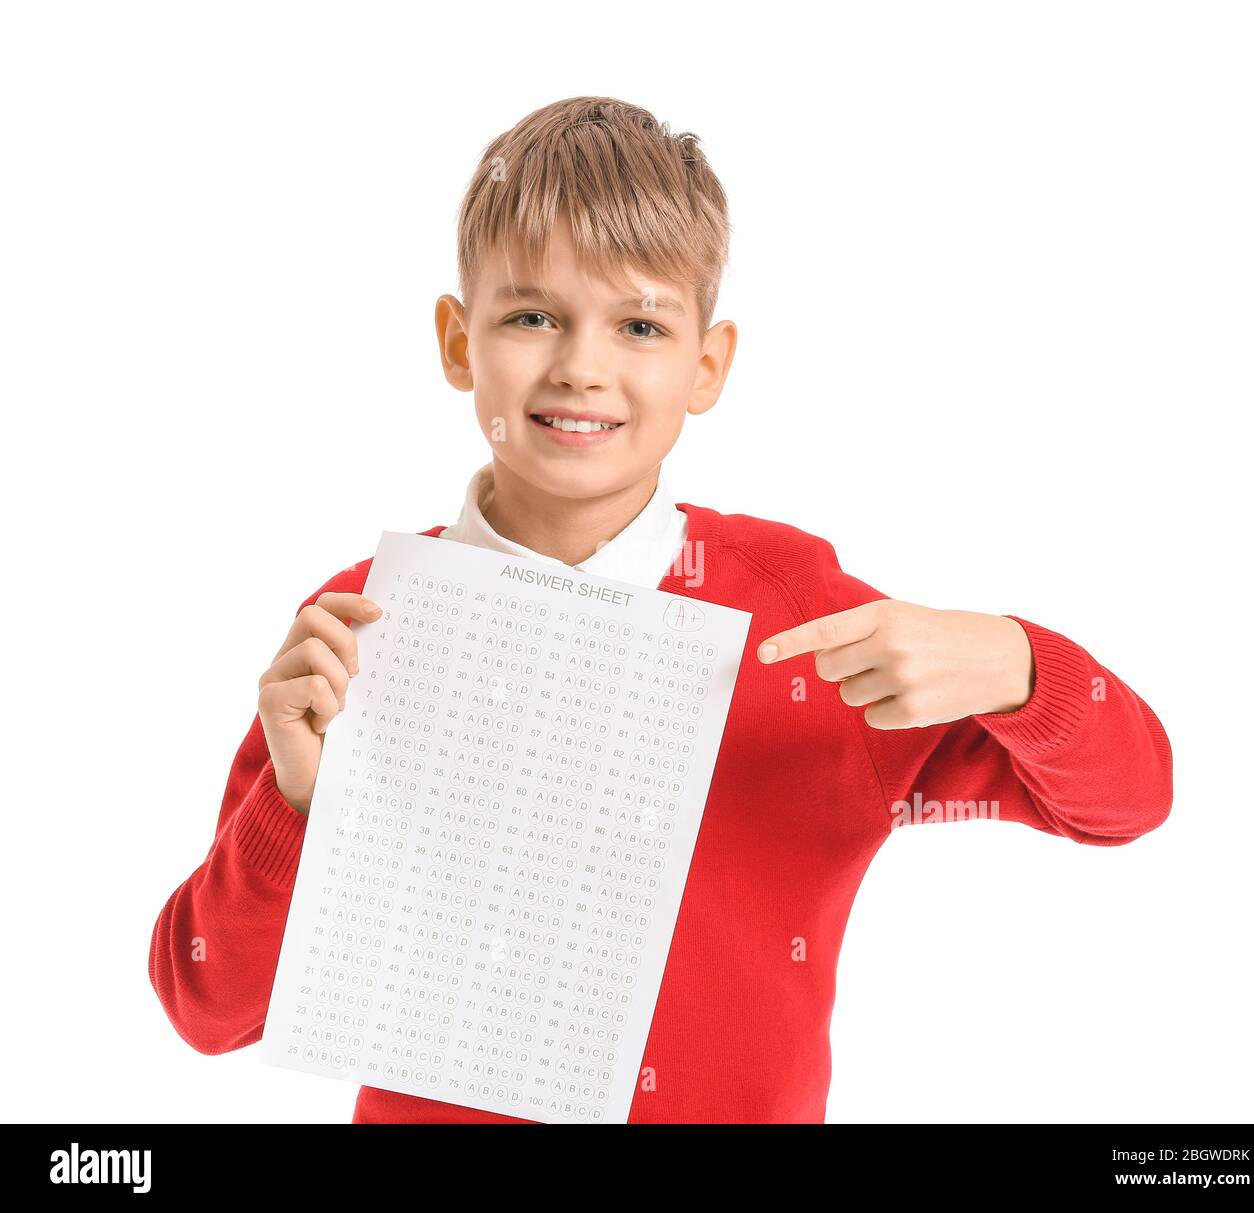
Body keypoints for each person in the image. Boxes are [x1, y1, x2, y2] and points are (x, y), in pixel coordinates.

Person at [148, 95, 1173, 1124]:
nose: (580, 365)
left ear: (706, 364)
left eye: (639, 324)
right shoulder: (359, 627)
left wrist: (1020, 664)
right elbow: (207, 1007)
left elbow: (1127, 801)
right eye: (531, 315)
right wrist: (300, 805)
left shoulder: (799, 622)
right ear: (459, 342)